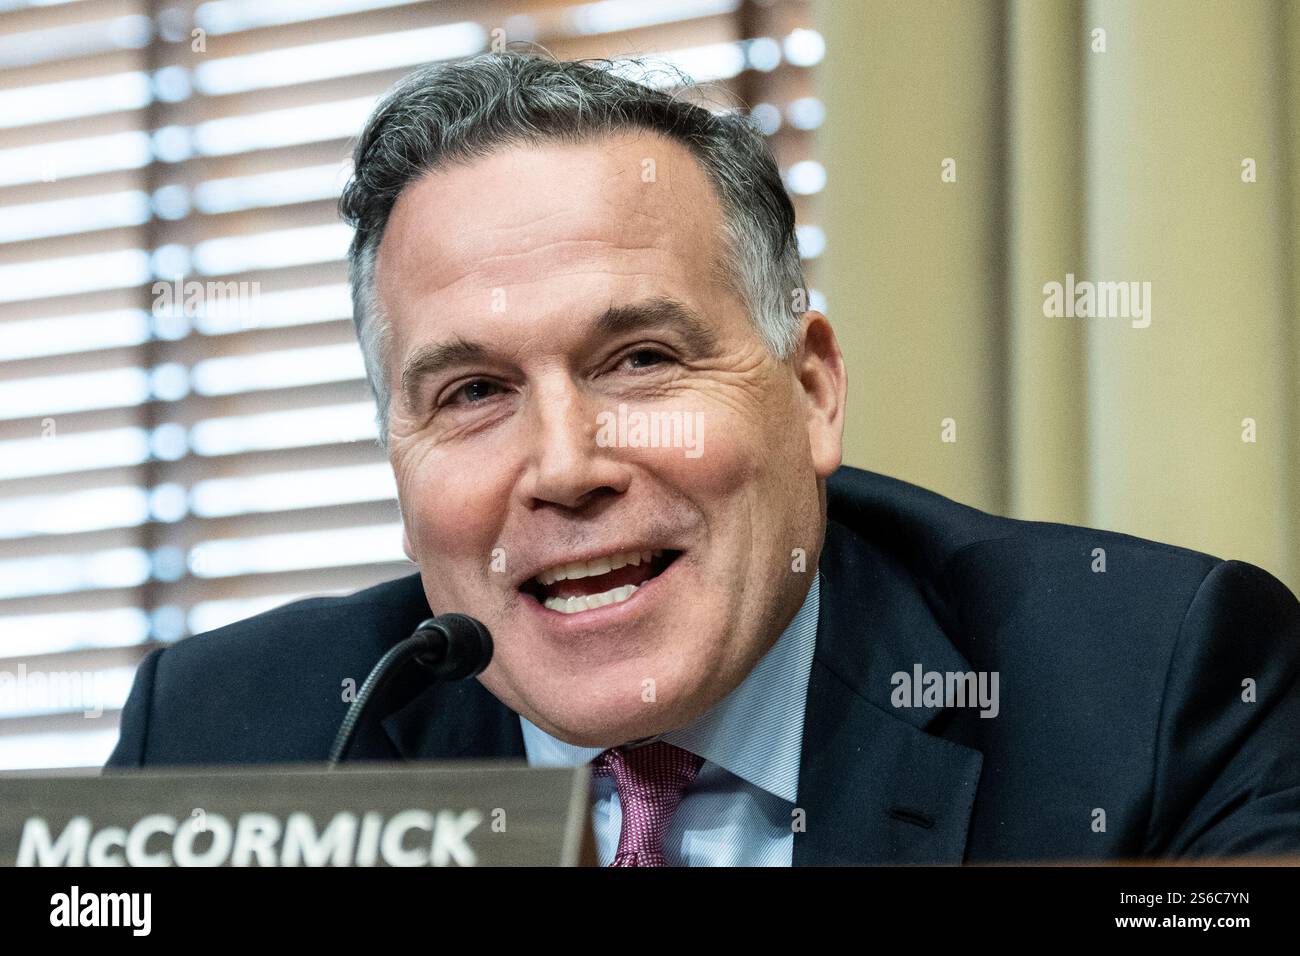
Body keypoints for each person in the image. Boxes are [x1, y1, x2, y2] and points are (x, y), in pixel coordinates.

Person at [108, 53, 1300, 866]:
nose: (565, 465)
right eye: (472, 393)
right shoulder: (228, 745)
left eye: (637, 360)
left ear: (812, 389)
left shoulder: (1150, 691)